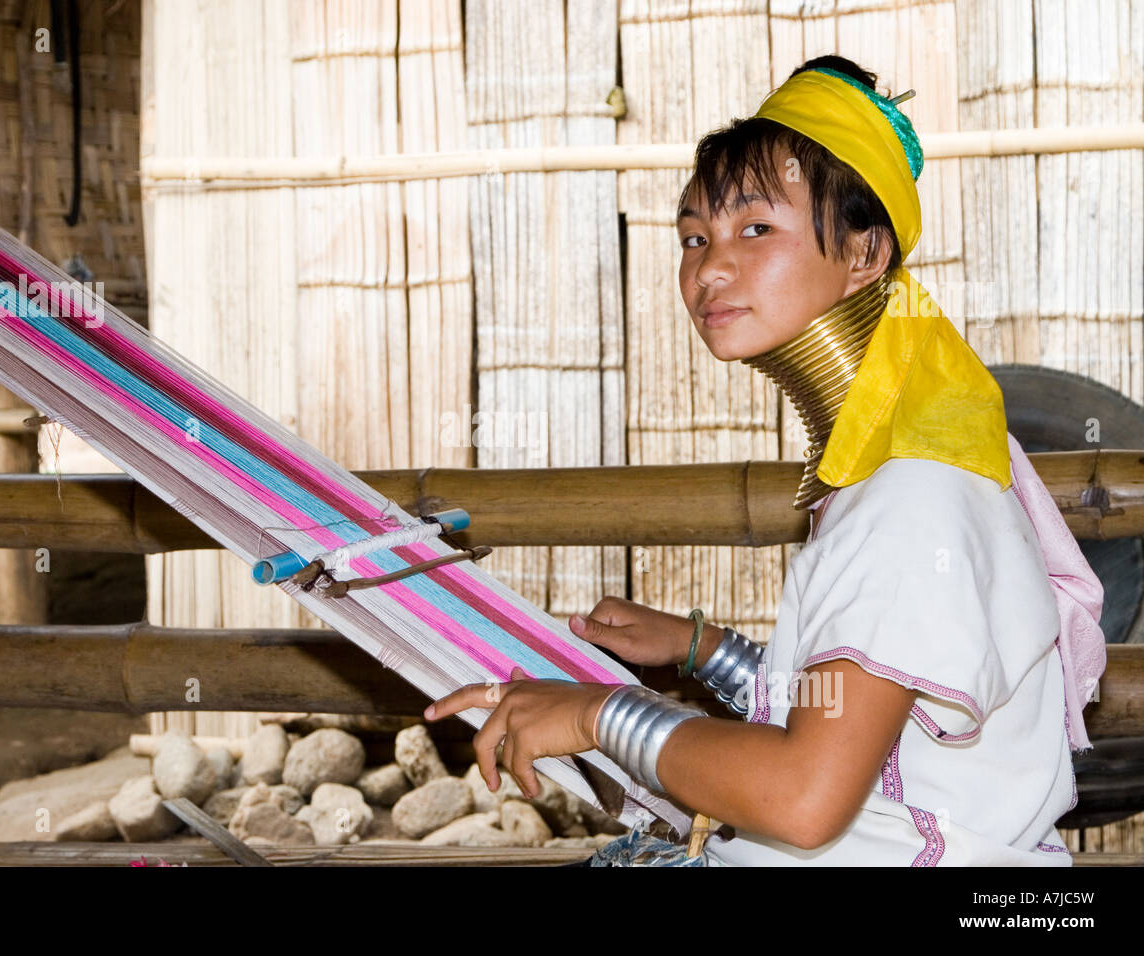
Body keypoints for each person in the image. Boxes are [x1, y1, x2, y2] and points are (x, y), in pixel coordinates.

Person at [425, 54, 1107, 866]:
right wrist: (703, 650)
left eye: (755, 229)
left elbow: (807, 798)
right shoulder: (898, 463)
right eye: (693, 236)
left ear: (865, 255)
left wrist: (599, 714)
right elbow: (870, 731)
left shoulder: (913, 495)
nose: (708, 267)